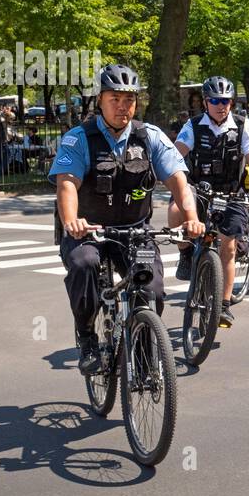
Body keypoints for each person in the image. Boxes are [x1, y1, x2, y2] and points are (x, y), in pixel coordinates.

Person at [50, 65, 203, 375]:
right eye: (114, 98)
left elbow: (179, 182)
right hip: (88, 231)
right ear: (100, 100)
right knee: (84, 266)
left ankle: (145, 355)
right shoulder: (78, 139)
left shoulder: (150, 137)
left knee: (152, 289)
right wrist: (72, 221)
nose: (122, 106)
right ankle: (87, 336)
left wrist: (192, 218)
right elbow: (66, 184)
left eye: (129, 99)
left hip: (134, 232)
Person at [172, 75, 249, 328]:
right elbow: (176, 154)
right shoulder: (192, 126)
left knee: (229, 248)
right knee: (174, 208)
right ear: (205, 102)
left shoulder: (243, 125)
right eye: (215, 101)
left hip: (232, 194)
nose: (221, 105)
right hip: (199, 191)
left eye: (226, 101)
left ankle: (223, 306)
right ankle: (186, 254)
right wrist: (172, 176)